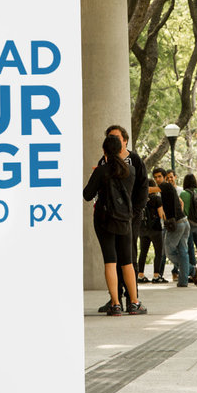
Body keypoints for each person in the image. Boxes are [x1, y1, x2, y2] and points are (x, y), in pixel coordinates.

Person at [83, 135, 147, 315]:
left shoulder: (101, 171)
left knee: (110, 261)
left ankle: (116, 304)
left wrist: (95, 176)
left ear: (104, 151)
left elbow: (88, 195)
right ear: (121, 150)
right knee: (127, 262)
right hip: (124, 219)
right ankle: (134, 303)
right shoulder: (131, 170)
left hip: (104, 220)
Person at [160, 167, 190, 288]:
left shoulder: (167, 187)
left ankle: (189, 270)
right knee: (183, 251)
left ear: (175, 177)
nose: (169, 179)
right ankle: (184, 280)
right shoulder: (170, 188)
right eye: (166, 178)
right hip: (183, 221)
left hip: (178, 222)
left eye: (170, 177)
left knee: (168, 250)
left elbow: (181, 202)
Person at [137, 178, 166, 283]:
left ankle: (140, 275)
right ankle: (156, 275)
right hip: (156, 230)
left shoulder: (141, 199)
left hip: (143, 229)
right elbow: (161, 214)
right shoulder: (157, 199)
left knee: (143, 252)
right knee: (158, 252)